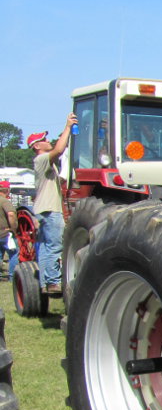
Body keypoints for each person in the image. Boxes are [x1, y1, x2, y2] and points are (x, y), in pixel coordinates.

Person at [27, 113, 77, 294]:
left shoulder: (46, 165)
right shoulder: (41, 159)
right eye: (44, 139)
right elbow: (58, 150)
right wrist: (68, 127)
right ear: (37, 146)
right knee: (55, 246)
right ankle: (52, 282)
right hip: (49, 209)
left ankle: (45, 283)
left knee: (47, 247)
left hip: (44, 209)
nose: (48, 141)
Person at [0, 181, 18, 281]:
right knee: (14, 253)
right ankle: (12, 276)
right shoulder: (5, 201)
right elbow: (11, 214)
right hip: (5, 233)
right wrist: (13, 228)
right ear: (7, 190)